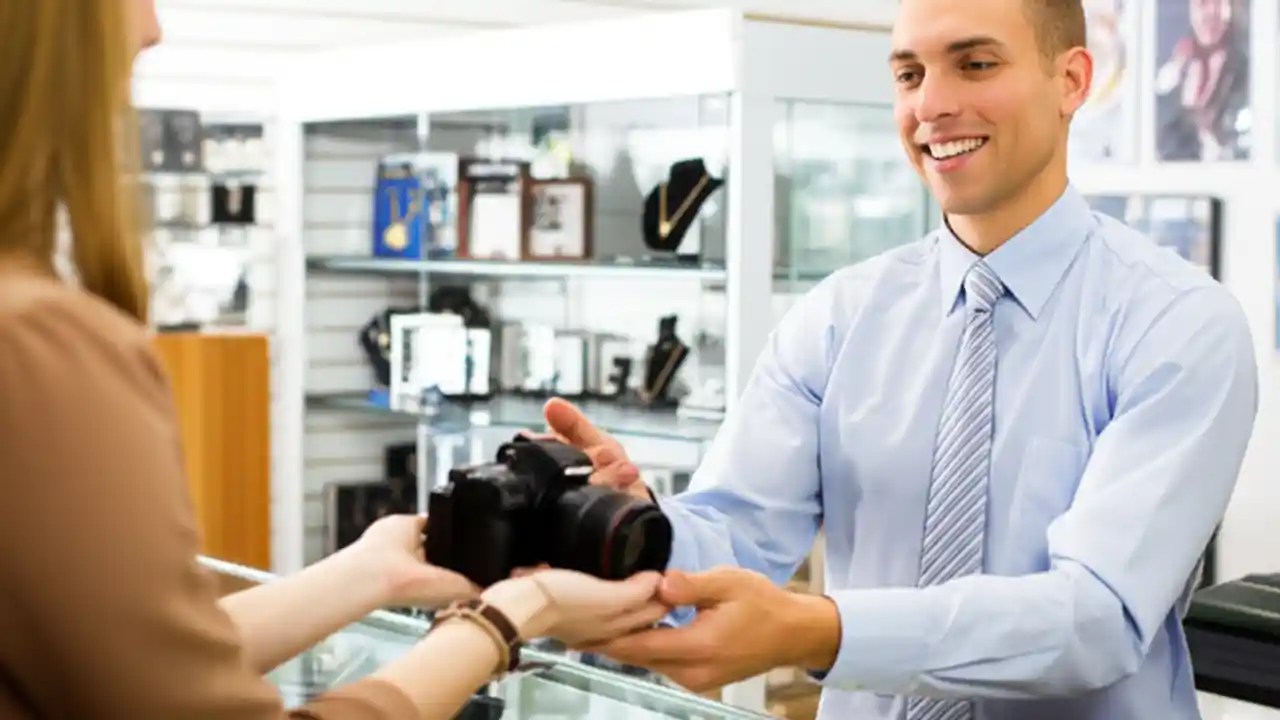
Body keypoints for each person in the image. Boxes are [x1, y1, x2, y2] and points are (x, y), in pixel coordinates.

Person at [544, 0, 1260, 718]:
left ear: (1071, 81)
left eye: (975, 65)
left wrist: (821, 630)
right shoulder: (838, 317)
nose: (933, 105)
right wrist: (637, 530)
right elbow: (735, 534)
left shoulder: (1176, 324)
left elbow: (1096, 619)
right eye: (909, 74)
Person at [0, 2, 666, 719]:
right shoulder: (40, 347)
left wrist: (368, 572)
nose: (152, 25)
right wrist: (510, 618)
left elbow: (134, 668)